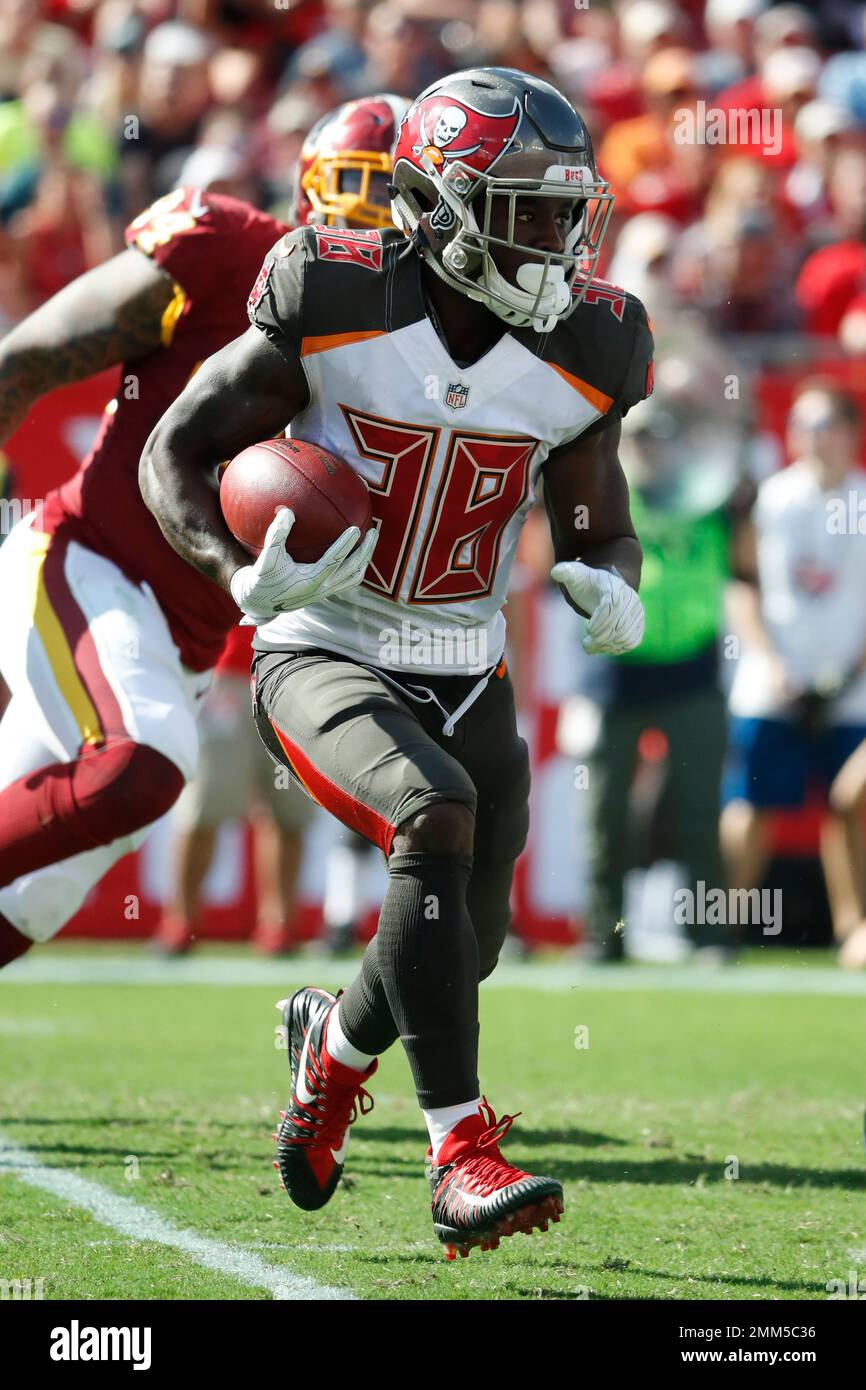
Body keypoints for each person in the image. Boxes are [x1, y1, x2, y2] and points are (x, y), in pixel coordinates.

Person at [140, 67, 653, 1260]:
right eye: (523, 206)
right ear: (437, 204)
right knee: (435, 808)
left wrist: (615, 581)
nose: (555, 235)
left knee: (463, 948)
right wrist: (231, 573)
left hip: (464, 661)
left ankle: (331, 1052)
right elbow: (178, 450)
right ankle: (458, 1152)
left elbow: (593, 517)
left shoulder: (591, 342)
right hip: (324, 638)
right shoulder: (336, 292)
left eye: (564, 206)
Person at [0, 95, 408, 971]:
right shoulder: (235, 252)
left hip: (184, 643)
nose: (378, 220)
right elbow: (23, 361)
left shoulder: (418, 365)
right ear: (310, 192)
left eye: (399, 197)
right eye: (359, 189)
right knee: (142, 765)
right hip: (84, 560)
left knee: (35, 898)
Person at [723, 382, 866, 963]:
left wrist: (854, 670)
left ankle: (853, 928)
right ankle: (724, 927)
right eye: (803, 426)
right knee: (753, 801)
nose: (814, 439)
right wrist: (772, 663)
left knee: (851, 802)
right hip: (773, 678)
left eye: (826, 425)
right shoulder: (770, 498)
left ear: (852, 433)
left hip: (854, 682)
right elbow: (742, 585)